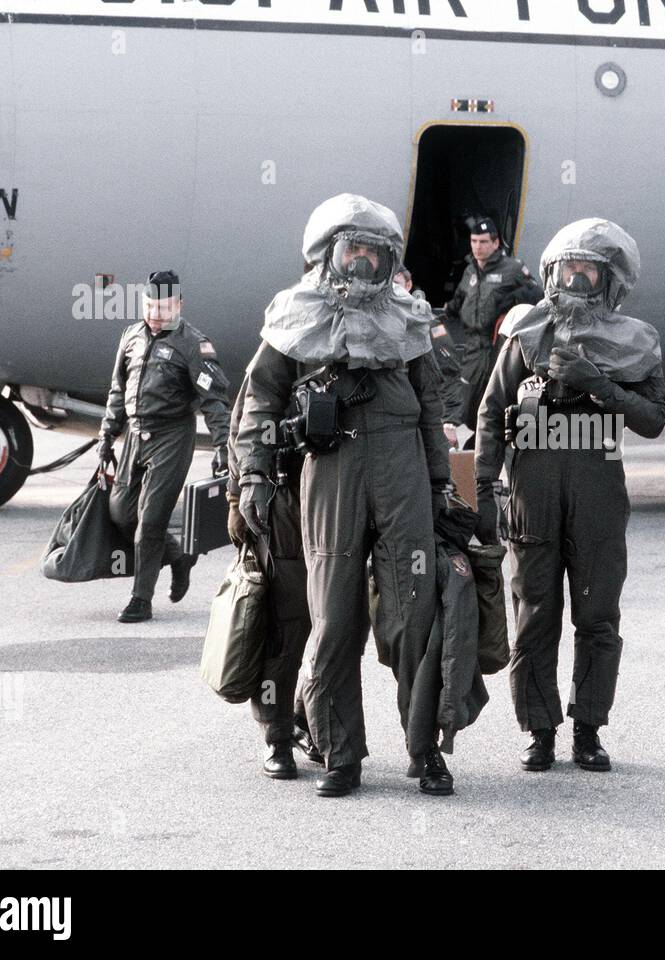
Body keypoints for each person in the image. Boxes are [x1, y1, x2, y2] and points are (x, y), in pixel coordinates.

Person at [234, 194, 453, 798]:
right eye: (352, 249)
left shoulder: (409, 318)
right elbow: (259, 400)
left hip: (403, 473)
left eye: (373, 252)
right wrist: (252, 475)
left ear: (389, 259)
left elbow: (430, 408)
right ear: (328, 252)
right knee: (333, 619)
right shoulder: (295, 313)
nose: (362, 262)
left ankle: (426, 751)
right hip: (330, 475)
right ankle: (340, 754)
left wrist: (440, 485)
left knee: (414, 615)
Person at [474, 218, 665, 773]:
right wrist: (485, 488)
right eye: (568, 268)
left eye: (588, 270)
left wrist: (601, 386)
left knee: (597, 616)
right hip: (531, 498)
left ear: (609, 279)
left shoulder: (633, 341)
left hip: (597, 498)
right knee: (534, 617)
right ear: (551, 273)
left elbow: (654, 419)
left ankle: (589, 729)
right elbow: (490, 412)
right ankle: (539, 731)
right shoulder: (526, 332)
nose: (576, 278)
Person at [98, 270, 231, 624]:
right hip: (135, 434)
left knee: (151, 521)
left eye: (164, 307)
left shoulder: (194, 344)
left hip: (171, 436)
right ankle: (177, 557)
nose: (156, 314)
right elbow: (118, 390)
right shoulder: (131, 336)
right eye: (150, 306)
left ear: (179, 305)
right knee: (121, 513)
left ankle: (140, 599)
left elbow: (214, 400)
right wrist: (106, 436)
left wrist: (222, 445)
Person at [225, 375, 310, 781]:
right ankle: (277, 735)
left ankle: (310, 720)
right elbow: (242, 429)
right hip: (282, 504)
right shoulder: (277, 359)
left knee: (338, 630)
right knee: (284, 629)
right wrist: (235, 497)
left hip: (341, 501)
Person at [444, 217, 542, 434]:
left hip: (497, 345)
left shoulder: (513, 269)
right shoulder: (470, 270)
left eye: (483, 242)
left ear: (495, 243)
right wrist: (448, 310)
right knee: (465, 398)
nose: (477, 247)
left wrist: (515, 298)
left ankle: (488, 437)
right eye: (474, 241)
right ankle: (469, 435)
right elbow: (460, 297)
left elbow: (537, 295)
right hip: (473, 347)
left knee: (494, 398)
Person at [397, 267, 462, 447]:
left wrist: (449, 421)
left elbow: (449, 373)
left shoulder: (427, 324)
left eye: (396, 284)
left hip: (420, 416)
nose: (393, 290)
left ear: (408, 285)